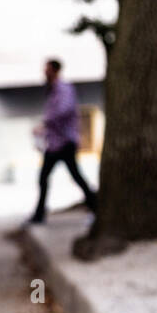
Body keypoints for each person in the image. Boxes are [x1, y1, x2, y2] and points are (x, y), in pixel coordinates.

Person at [29, 59, 98, 224]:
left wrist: (45, 123)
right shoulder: (53, 90)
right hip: (55, 143)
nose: (44, 72)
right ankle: (39, 214)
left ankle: (96, 207)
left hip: (64, 142)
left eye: (46, 69)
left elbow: (63, 111)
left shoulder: (63, 89)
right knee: (47, 177)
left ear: (54, 70)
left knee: (74, 176)